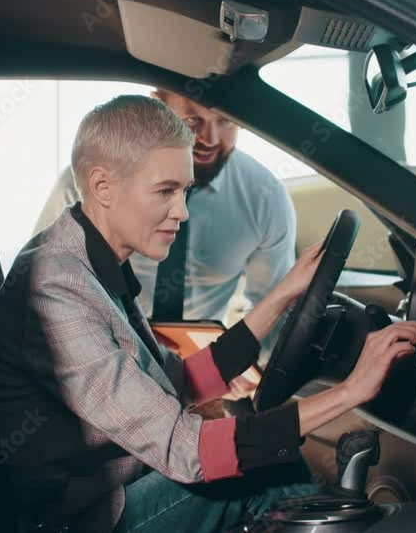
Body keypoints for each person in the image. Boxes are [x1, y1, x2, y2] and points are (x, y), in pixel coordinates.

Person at [0, 95, 416, 533]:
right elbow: (186, 450)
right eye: (165, 191)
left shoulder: (91, 257)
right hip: (78, 517)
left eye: (185, 190)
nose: (183, 211)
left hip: (116, 486)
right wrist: (350, 392)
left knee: (273, 460)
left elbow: (177, 384)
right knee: (267, 474)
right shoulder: (58, 287)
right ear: (102, 186)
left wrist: (283, 294)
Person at [34, 89, 297, 364]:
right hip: (106, 347)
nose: (210, 139)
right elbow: (46, 286)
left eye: (225, 121)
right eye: (193, 121)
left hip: (210, 357)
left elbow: (275, 309)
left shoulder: (265, 196)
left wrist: (242, 363)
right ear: (158, 108)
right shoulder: (89, 185)